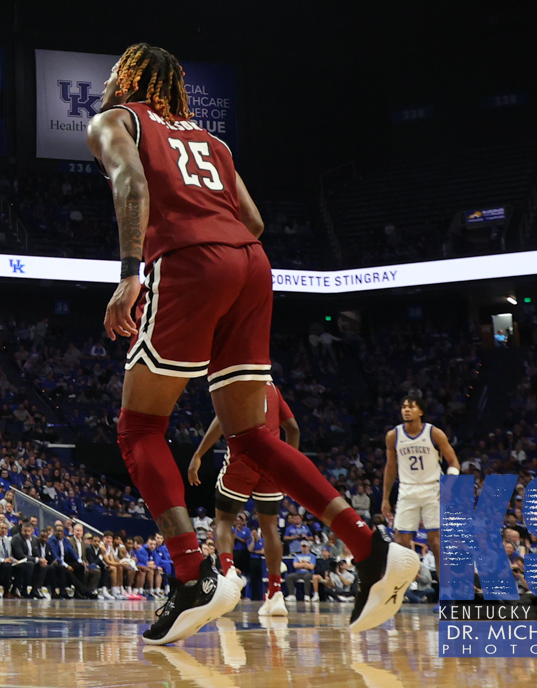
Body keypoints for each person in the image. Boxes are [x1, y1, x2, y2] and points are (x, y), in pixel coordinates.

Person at [87, 44, 415, 642]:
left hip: (188, 264)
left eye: (114, 71)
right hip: (252, 265)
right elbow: (255, 221)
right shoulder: (213, 143)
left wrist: (131, 271)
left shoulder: (115, 120)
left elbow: (131, 183)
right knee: (253, 439)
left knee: (138, 430)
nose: (107, 79)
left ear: (130, 79)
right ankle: (370, 550)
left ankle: (191, 576)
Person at [187, 381, 298, 616]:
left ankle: (229, 572)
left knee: (224, 519)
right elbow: (294, 429)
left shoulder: (238, 382)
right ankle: (276, 593)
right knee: (270, 530)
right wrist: (288, 467)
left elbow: (221, 421)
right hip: (271, 462)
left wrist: (198, 454)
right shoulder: (274, 388)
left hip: (243, 458)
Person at [382, 390, 460, 572]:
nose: (406, 410)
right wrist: (385, 498)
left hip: (433, 489)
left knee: (436, 542)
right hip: (407, 489)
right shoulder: (393, 436)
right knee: (400, 543)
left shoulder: (434, 433)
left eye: (411, 406)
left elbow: (454, 461)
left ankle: (446, 596)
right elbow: (391, 467)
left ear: (420, 411)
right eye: (403, 407)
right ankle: (398, 592)